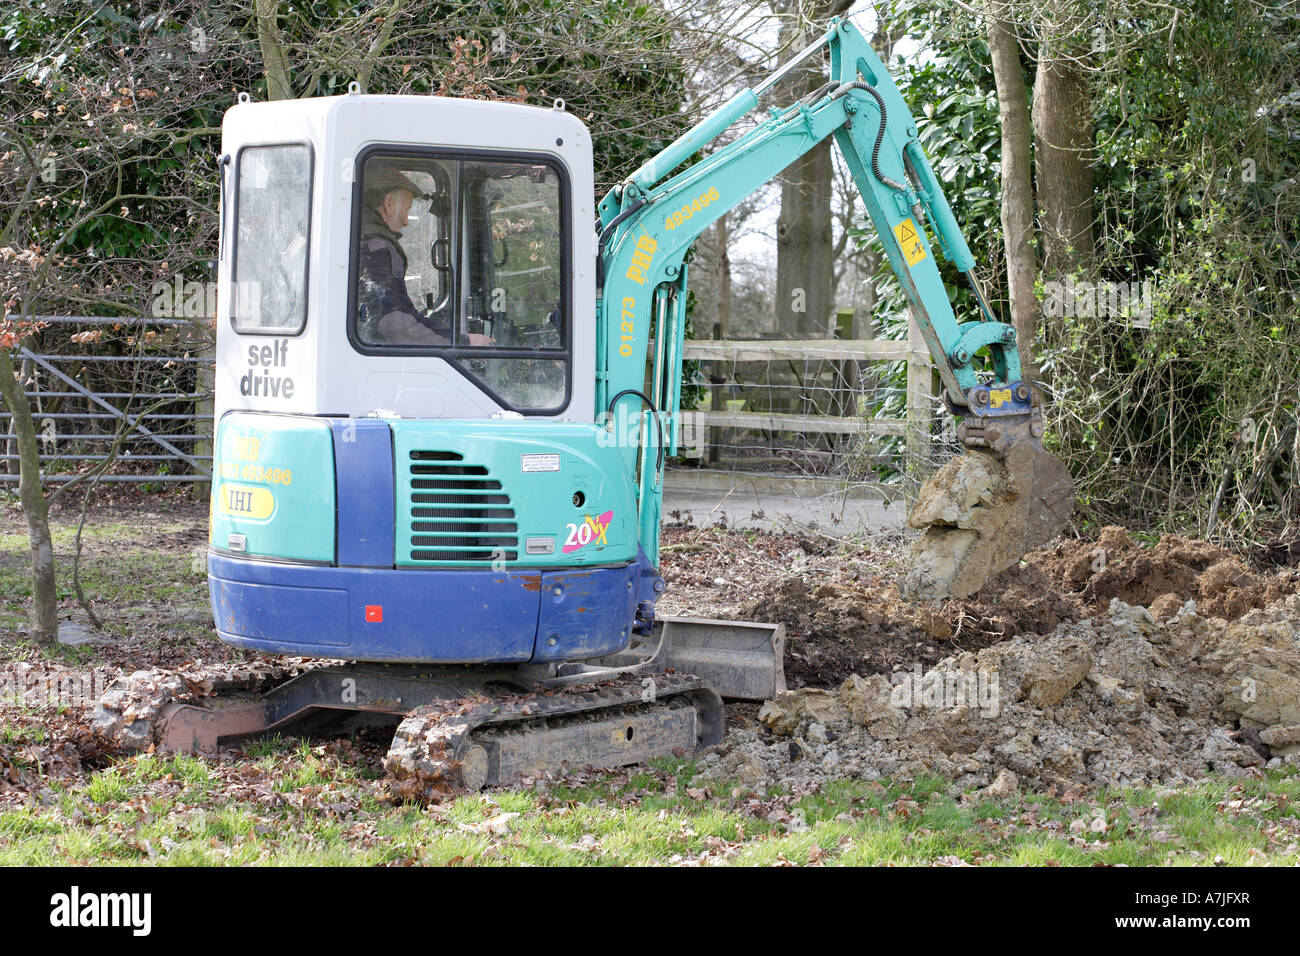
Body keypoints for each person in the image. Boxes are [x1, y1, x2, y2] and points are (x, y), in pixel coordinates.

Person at [356, 164, 493, 346]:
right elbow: (396, 325)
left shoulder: (360, 241)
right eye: (406, 210)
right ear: (388, 203)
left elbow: (402, 313)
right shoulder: (378, 250)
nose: (406, 222)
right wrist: (461, 345)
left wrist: (460, 340)